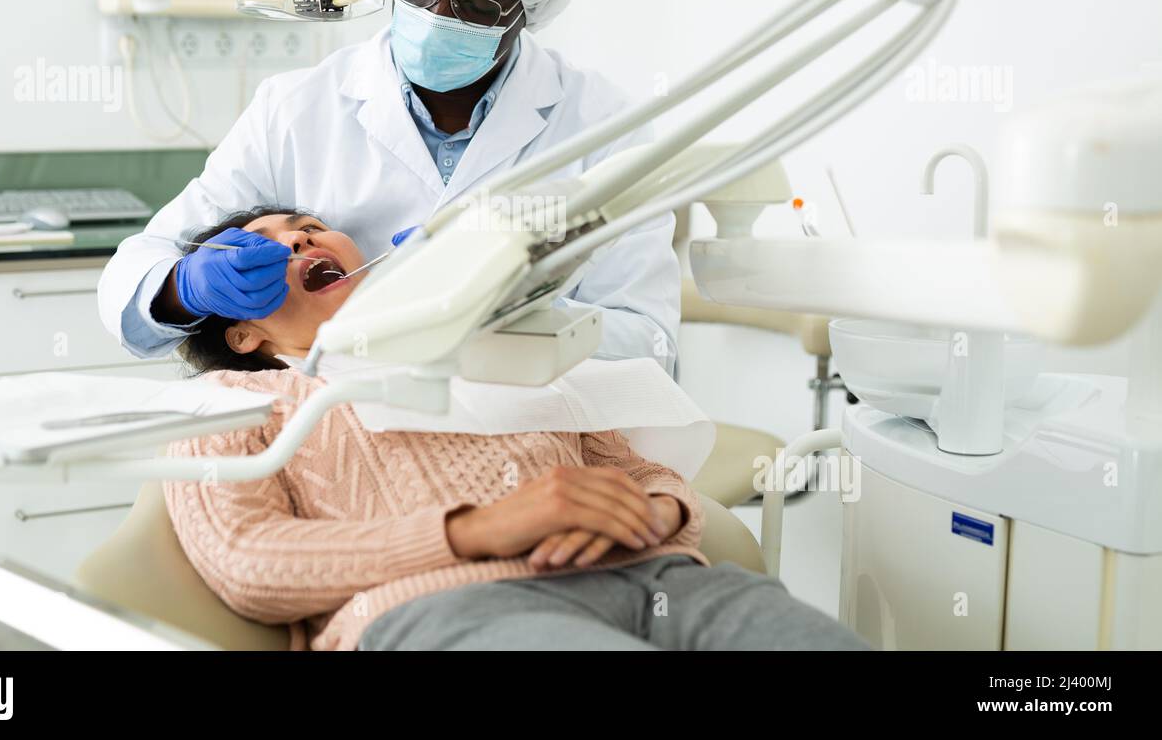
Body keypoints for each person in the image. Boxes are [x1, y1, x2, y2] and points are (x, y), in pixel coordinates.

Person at [162, 207, 870, 651]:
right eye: (263, 246)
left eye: (310, 227)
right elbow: (248, 563)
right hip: (451, 613)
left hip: (661, 580)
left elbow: (635, 470)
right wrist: (474, 530)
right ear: (242, 332)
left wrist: (654, 511)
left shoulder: (496, 350)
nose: (299, 238)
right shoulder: (233, 397)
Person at [97, 0, 681, 374]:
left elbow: (650, 342)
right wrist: (187, 287)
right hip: (340, 421)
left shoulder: (605, 128)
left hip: (534, 437)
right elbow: (136, 273)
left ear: (529, 4)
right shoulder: (296, 110)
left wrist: (494, 311)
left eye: (477, 1)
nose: (438, 14)